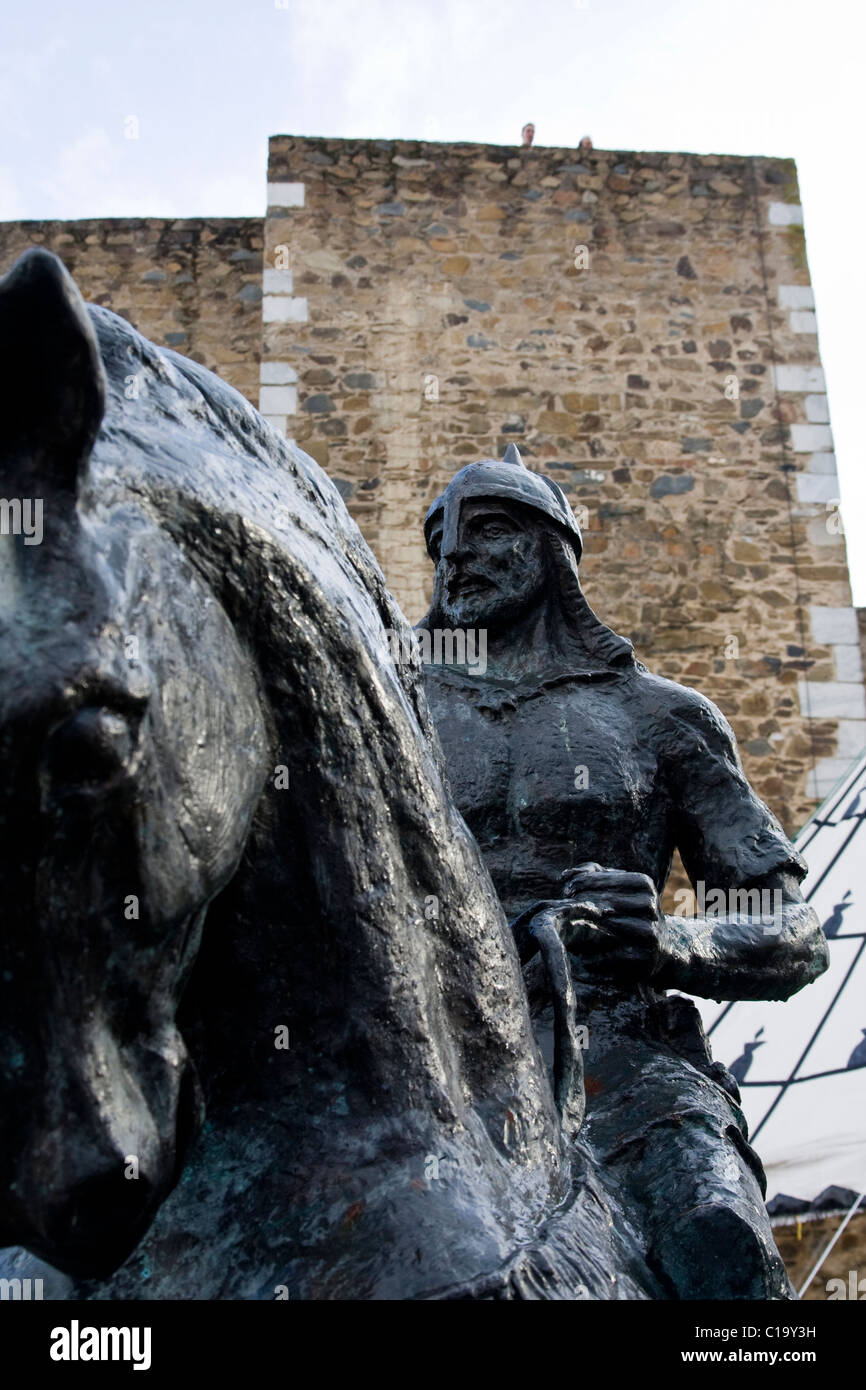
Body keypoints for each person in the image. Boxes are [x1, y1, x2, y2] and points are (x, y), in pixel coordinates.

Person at [416, 444, 829, 1299]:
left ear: (553, 550)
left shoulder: (663, 717)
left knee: (717, 1242)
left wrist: (671, 942)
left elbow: (796, 934)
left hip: (623, 1064)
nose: (456, 553)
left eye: (488, 529)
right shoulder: (392, 709)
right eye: (440, 538)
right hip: (424, 1058)